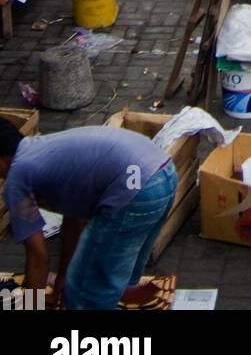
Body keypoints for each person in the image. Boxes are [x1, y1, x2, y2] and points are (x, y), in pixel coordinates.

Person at [0, 119, 178, 310]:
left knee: (85, 296)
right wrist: (64, 275)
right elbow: (73, 222)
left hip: (137, 189)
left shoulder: (16, 179)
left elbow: (38, 256)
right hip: (163, 173)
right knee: (109, 280)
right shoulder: (42, 150)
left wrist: (30, 306)